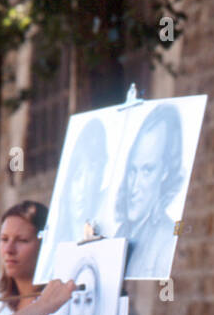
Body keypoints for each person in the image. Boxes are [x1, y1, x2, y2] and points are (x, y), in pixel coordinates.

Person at [114, 105, 183, 278]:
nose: (134, 186)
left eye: (147, 171)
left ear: (164, 172)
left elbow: (166, 295)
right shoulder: (120, 232)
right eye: (132, 170)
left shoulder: (167, 239)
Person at [39, 119, 108, 283]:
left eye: (91, 170)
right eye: (77, 176)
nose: (83, 186)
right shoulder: (55, 249)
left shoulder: (105, 225)